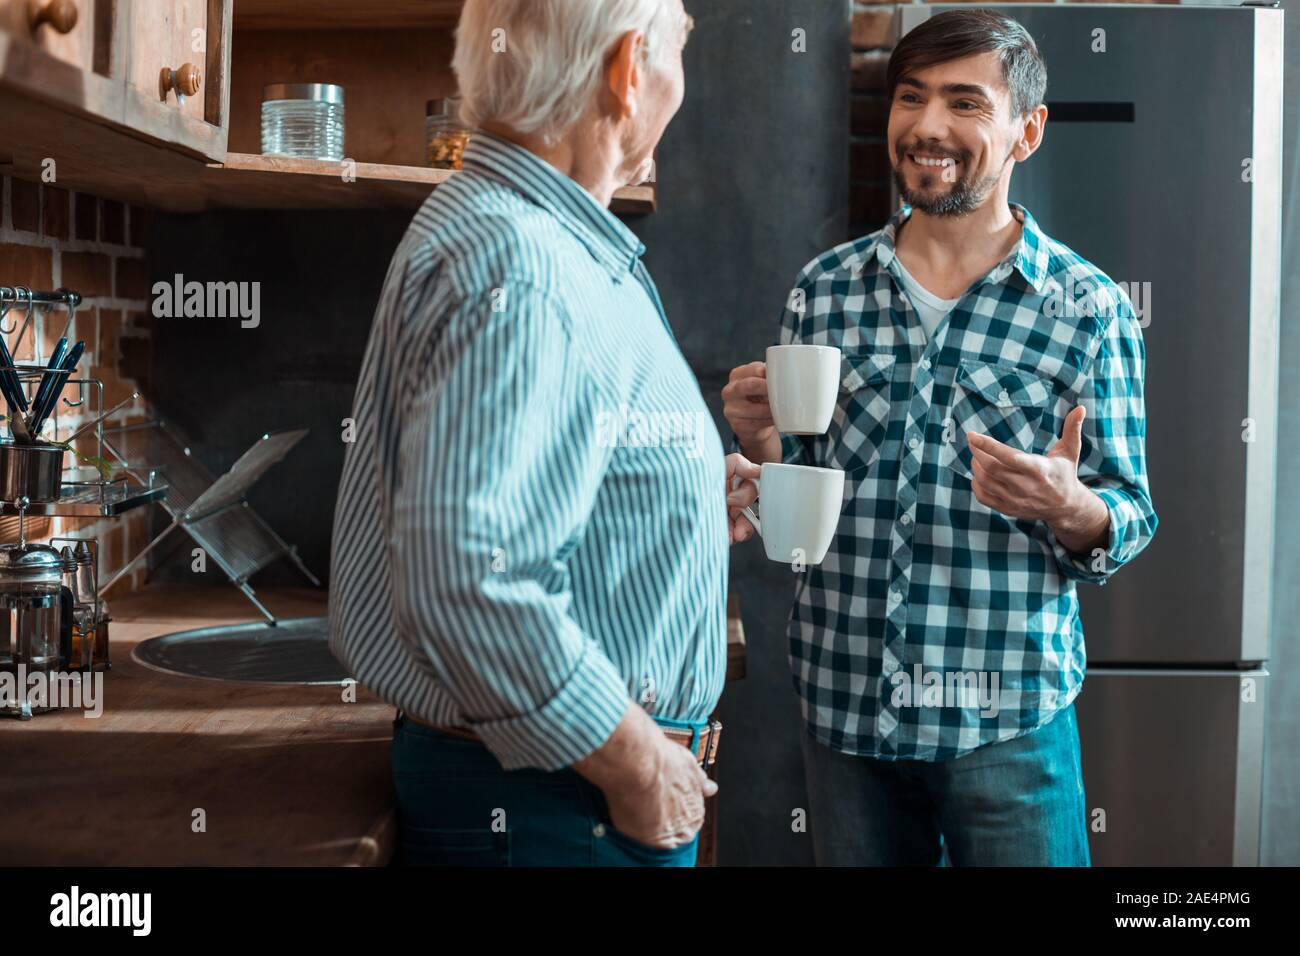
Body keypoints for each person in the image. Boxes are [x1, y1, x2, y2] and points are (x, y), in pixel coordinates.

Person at [329, 0, 760, 867]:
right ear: (627, 69)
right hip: (557, 809)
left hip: (560, 800)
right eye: (678, 50)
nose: (683, 81)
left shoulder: (536, 236)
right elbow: (473, 579)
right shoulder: (522, 265)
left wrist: (671, 509)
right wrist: (639, 768)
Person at [723, 8, 1157, 866]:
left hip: (1008, 724)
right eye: (911, 97)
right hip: (846, 711)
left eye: (965, 103)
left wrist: (1073, 507)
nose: (927, 127)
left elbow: (1129, 514)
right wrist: (763, 452)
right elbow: (805, 497)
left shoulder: (1088, 307)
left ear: (1026, 132)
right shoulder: (826, 290)